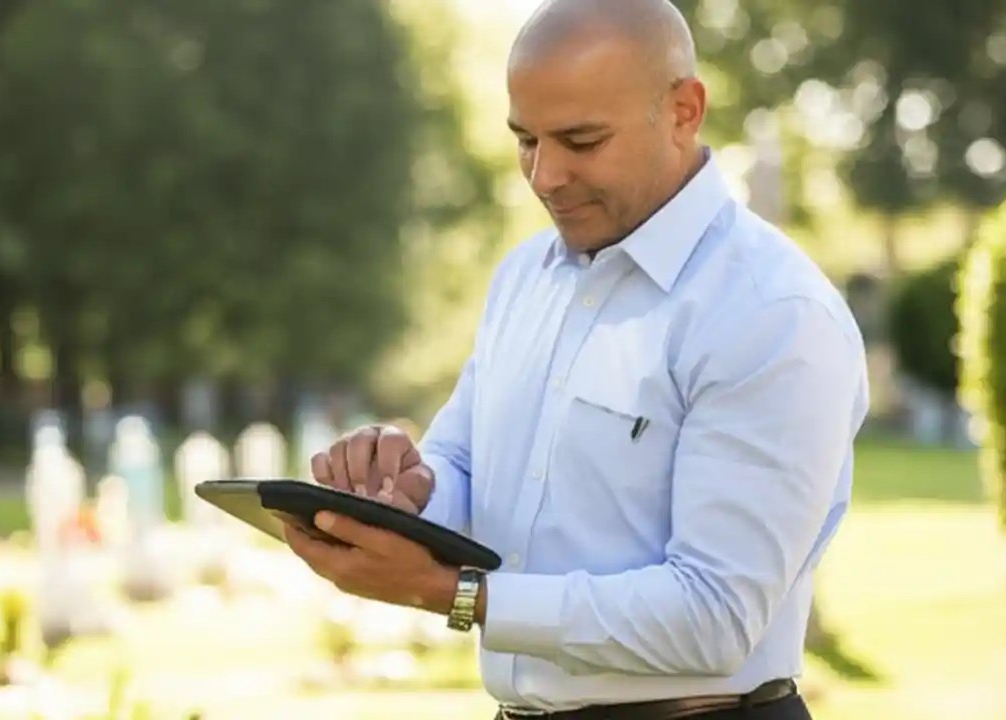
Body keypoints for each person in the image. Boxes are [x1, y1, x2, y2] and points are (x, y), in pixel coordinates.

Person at [281, 0, 869, 717]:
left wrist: (450, 593)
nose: (544, 176)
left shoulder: (771, 314)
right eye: (525, 140)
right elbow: (465, 468)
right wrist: (403, 496)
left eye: (580, 141)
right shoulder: (525, 277)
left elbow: (714, 617)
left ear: (684, 110)